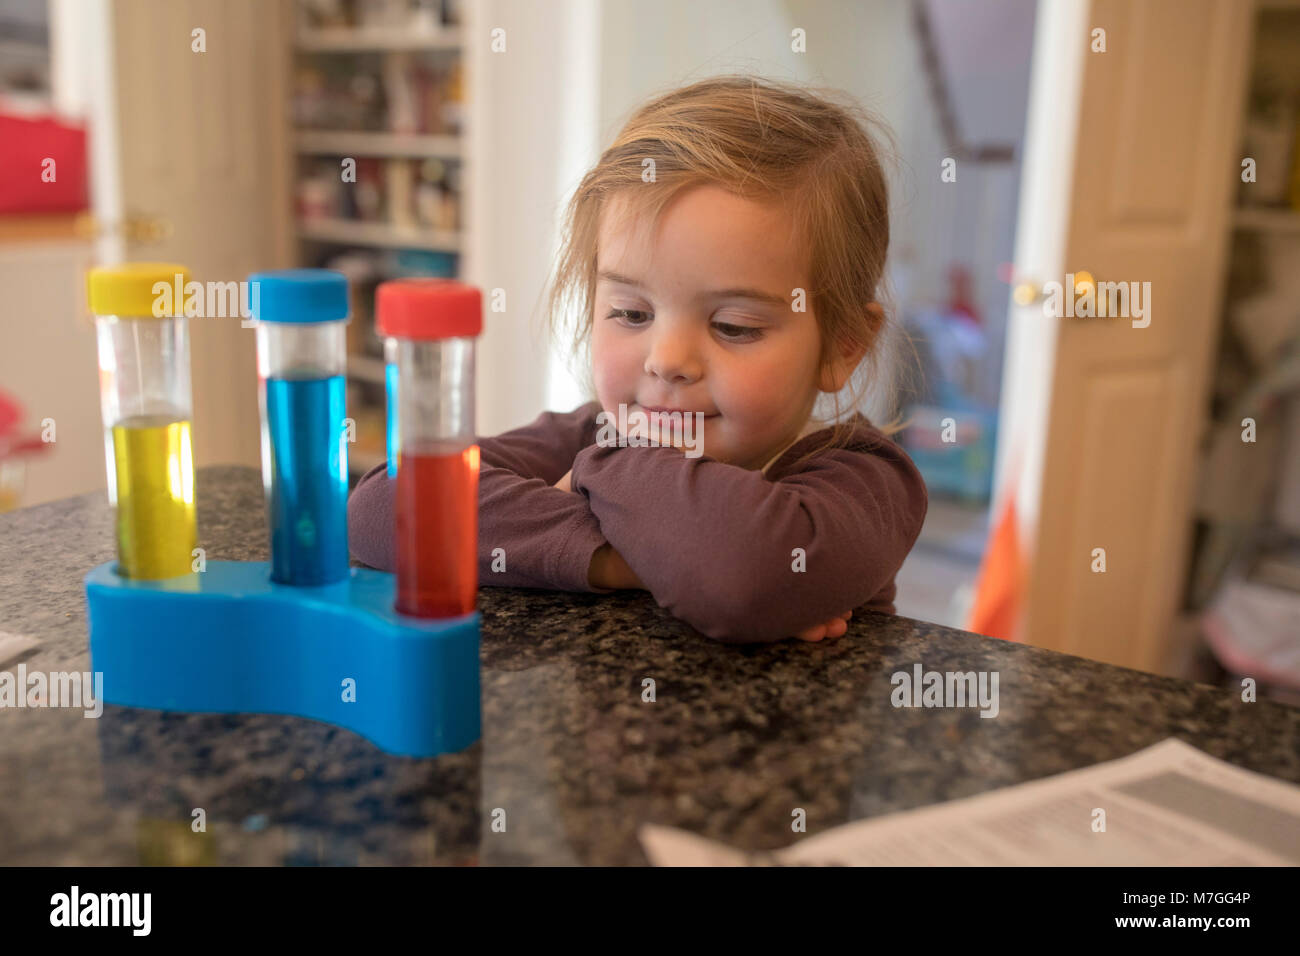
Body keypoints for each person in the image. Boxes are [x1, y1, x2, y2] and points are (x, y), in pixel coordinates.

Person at [349, 75, 928, 644]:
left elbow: (748, 575)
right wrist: (637, 561)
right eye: (631, 314)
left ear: (843, 345)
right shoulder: (591, 429)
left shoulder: (870, 482)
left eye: (734, 326)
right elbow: (384, 510)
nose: (668, 361)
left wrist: (601, 470)